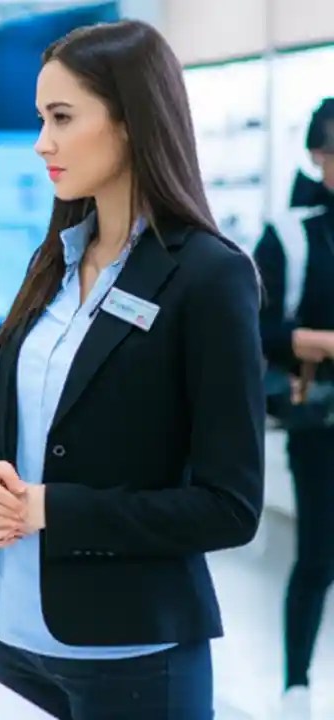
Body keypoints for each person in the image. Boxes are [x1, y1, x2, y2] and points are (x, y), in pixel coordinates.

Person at [0, 19, 265, 719]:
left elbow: (230, 506)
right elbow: (11, 429)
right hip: (12, 637)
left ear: (130, 121)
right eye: (41, 118)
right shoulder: (54, 264)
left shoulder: (209, 278)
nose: (43, 142)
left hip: (135, 660)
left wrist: (49, 509)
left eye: (62, 118)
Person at [254, 97, 334, 720]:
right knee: (318, 554)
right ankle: (297, 684)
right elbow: (257, 327)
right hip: (321, 417)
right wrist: (322, 343)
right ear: (317, 154)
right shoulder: (289, 230)